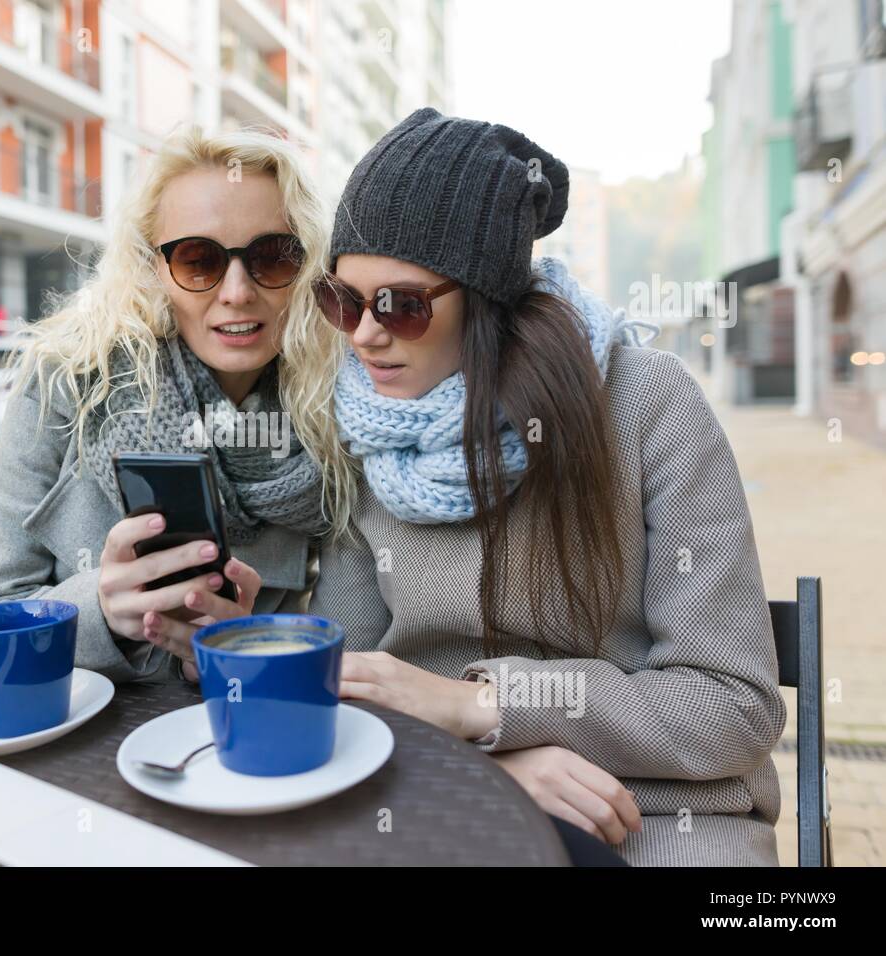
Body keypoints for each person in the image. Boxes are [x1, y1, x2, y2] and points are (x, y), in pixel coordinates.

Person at [309, 108, 785, 866]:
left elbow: (731, 708)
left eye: (401, 304)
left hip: (661, 811)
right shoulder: (363, 429)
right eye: (341, 301)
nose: (365, 333)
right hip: (435, 792)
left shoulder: (646, 404)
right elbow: (349, 689)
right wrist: (491, 765)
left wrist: (488, 706)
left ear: (485, 299)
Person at [0, 125, 355, 694]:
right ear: (152, 268)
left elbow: (335, 650)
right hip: (46, 740)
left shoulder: (333, 418)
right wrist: (100, 611)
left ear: (308, 265)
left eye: (273, 256)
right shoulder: (67, 380)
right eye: (198, 260)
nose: (237, 291)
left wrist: (239, 650)